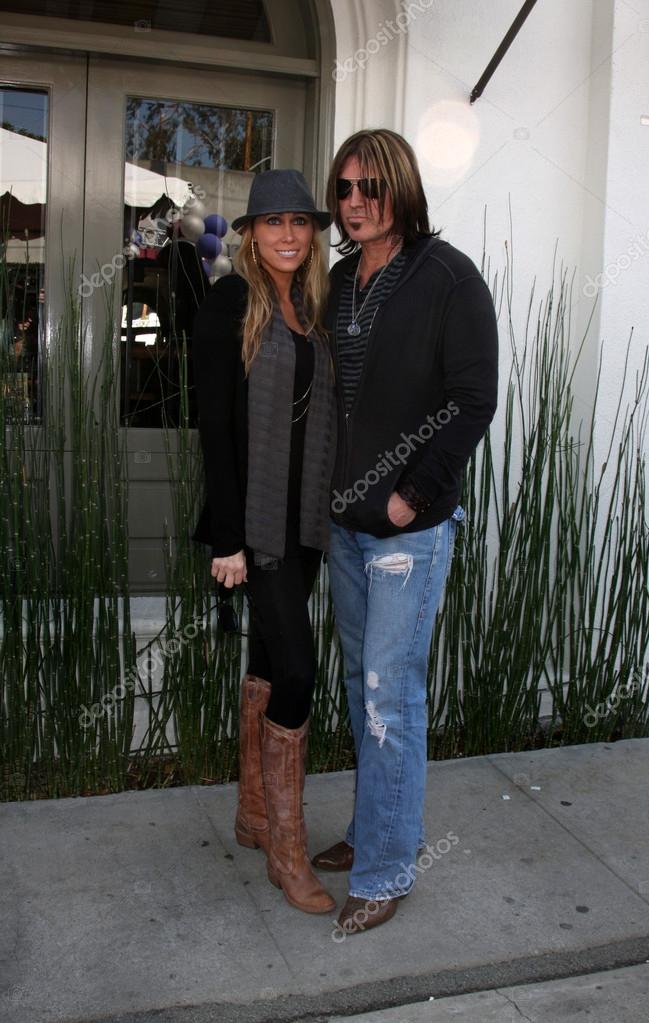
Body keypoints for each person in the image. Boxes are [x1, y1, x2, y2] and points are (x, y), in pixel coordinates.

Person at [312, 129, 498, 934]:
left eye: (370, 188)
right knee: (363, 687)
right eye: (344, 189)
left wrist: (413, 492)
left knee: (393, 693)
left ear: (402, 190)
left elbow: (473, 396)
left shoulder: (449, 277)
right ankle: (375, 829)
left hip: (405, 531)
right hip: (348, 527)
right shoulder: (339, 278)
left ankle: (388, 869)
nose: (354, 202)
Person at [192, 170, 337, 915]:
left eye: (301, 222)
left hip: (305, 517)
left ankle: (252, 814)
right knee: (300, 671)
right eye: (274, 222)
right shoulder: (227, 303)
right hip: (255, 525)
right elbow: (213, 426)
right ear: (250, 232)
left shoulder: (313, 305)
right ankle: (287, 846)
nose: (288, 234)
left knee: (264, 659)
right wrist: (228, 537)